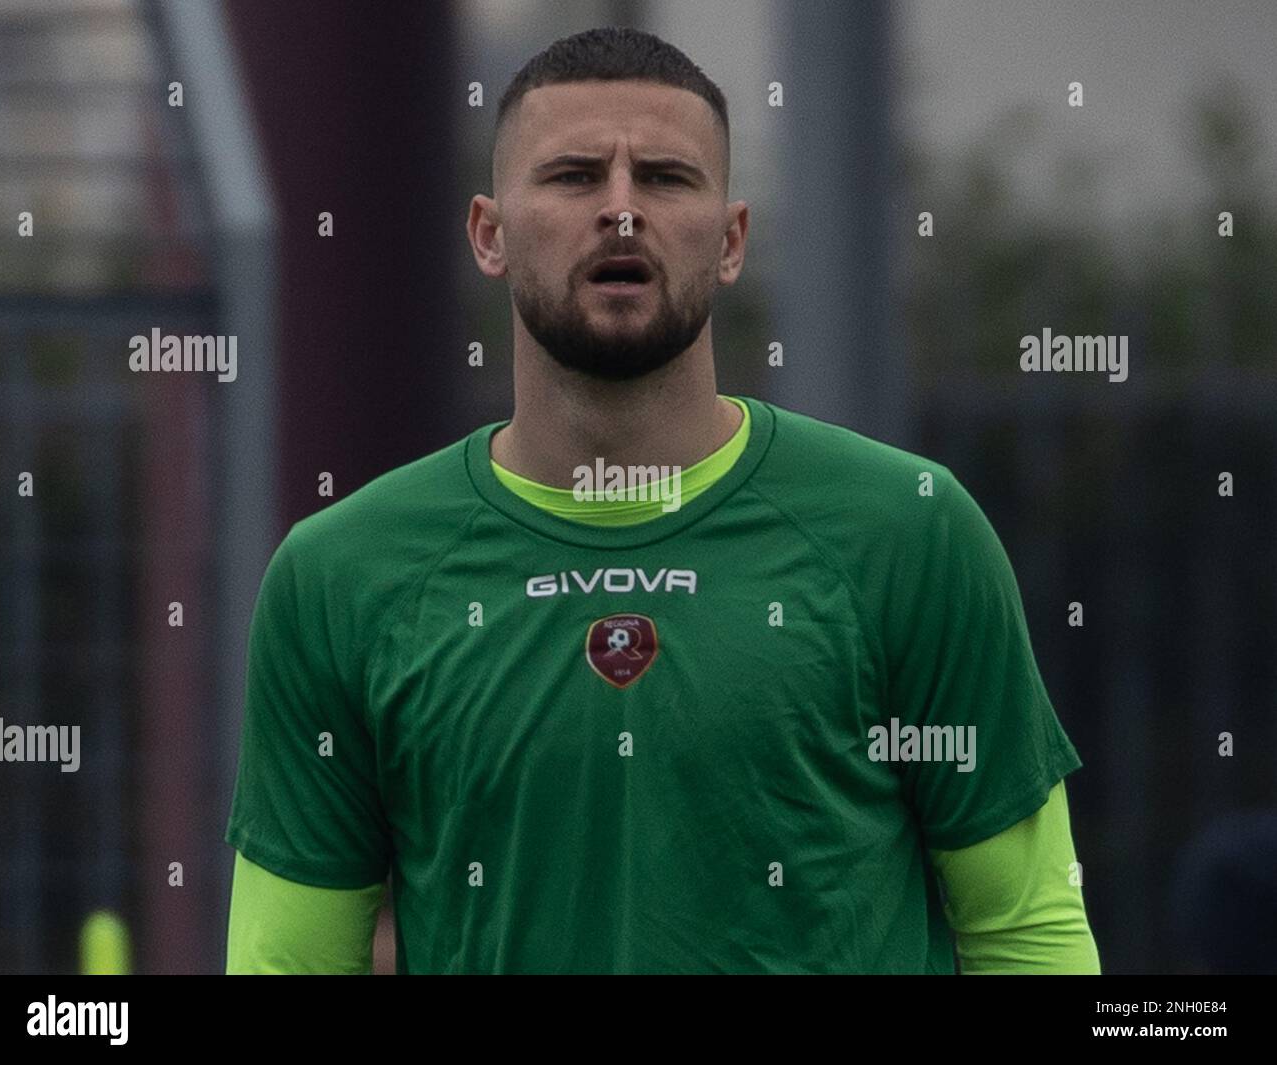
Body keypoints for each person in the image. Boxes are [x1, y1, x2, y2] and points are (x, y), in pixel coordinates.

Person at [225, 26, 1099, 974]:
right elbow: (288, 966)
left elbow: (1026, 936)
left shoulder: (911, 531)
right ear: (489, 233)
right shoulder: (341, 574)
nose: (622, 211)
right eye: (570, 176)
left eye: (668, 179)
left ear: (730, 241)